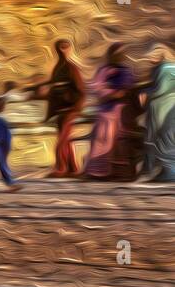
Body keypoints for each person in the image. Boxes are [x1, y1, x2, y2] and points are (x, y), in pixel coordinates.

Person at [36, 38, 86, 177]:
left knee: (62, 140)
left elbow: (81, 90)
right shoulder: (58, 68)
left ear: (70, 49)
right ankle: (72, 169)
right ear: (57, 50)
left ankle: (61, 168)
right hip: (60, 109)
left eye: (66, 47)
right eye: (61, 47)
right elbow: (54, 85)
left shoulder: (72, 68)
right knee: (65, 139)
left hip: (70, 109)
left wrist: (77, 107)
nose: (64, 50)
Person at [84, 43, 135, 180]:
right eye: (116, 54)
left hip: (119, 111)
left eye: (121, 54)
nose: (118, 56)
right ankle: (98, 171)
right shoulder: (103, 70)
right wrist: (108, 92)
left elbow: (124, 91)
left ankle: (118, 173)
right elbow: (96, 88)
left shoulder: (125, 71)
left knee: (117, 141)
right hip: (104, 111)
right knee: (100, 139)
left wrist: (108, 92)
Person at [143, 45, 175, 181]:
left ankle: (168, 171)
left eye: (151, 56)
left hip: (162, 106)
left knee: (160, 136)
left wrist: (145, 93)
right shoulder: (170, 67)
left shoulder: (164, 68)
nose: (149, 59)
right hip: (168, 105)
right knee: (166, 136)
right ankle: (165, 170)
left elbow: (161, 89)